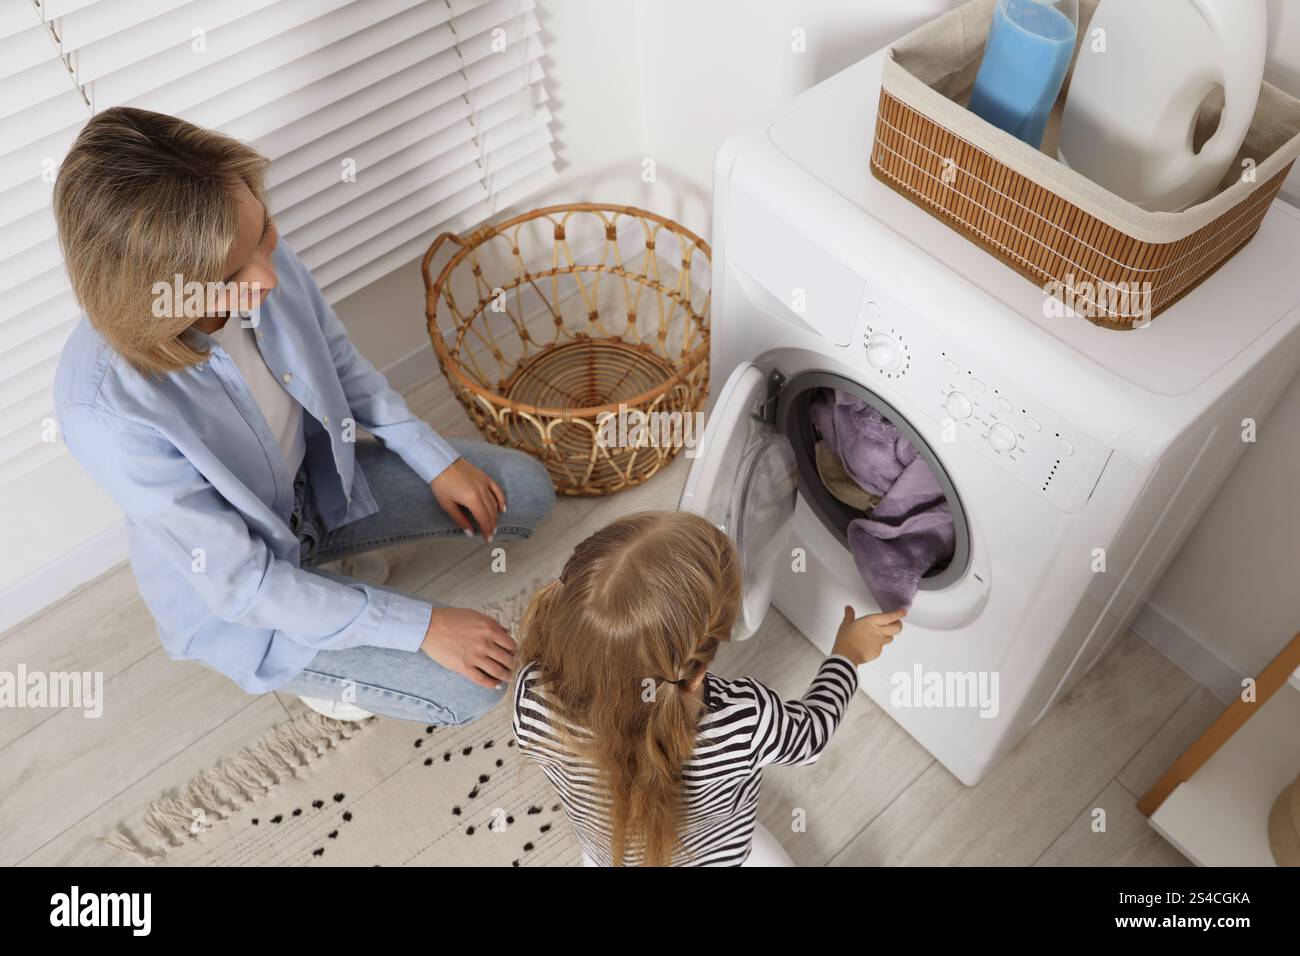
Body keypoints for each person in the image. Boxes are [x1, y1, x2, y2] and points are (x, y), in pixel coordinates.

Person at [52, 107, 555, 725]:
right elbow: (245, 584)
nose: (267, 275)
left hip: (317, 492)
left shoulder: (245, 247)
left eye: (266, 231)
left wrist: (435, 459)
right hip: (245, 583)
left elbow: (338, 361)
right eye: (231, 277)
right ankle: (320, 642)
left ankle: (330, 581)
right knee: (473, 689)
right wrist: (420, 625)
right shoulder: (105, 411)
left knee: (524, 491)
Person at [511, 510, 905, 866]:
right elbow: (811, 737)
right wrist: (846, 656)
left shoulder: (532, 698)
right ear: (698, 670)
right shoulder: (746, 718)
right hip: (718, 858)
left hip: (606, 856)